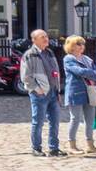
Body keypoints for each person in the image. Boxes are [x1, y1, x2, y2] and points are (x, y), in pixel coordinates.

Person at [19, 29, 64, 157]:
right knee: (38, 121)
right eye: (42, 37)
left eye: (46, 36)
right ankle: (36, 148)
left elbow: (55, 72)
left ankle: (54, 148)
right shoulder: (29, 55)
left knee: (54, 122)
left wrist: (57, 90)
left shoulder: (49, 53)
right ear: (34, 40)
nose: (46, 38)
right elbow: (26, 77)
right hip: (40, 94)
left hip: (53, 93)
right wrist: (37, 90)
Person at [61, 36, 96, 155]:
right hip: (75, 92)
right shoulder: (69, 59)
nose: (81, 46)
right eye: (78, 44)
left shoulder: (87, 59)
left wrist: (90, 74)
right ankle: (72, 145)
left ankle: (90, 145)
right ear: (71, 46)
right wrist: (91, 73)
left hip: (90, 91)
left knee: (90, 120)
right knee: (75, 119)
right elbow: (79, 71)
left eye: (82, 44)